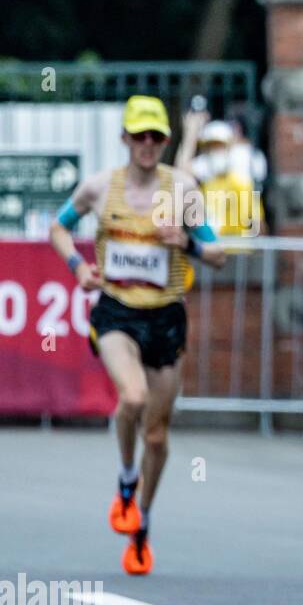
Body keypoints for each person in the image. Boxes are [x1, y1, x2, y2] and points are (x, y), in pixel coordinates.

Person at [47, 95, 227, 575]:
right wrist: (78, 267)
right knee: (132, 397)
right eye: (139, 135)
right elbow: (59, 228)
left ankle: (141, 522)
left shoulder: (183, 191)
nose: (147, 145)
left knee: (158, 434)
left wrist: (186, 241)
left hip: (166, 318)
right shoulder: (99, 188)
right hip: (116, 314)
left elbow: (218, 254)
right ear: (125, 138)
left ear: (164, 141)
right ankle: (126, 479)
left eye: (156, 137)